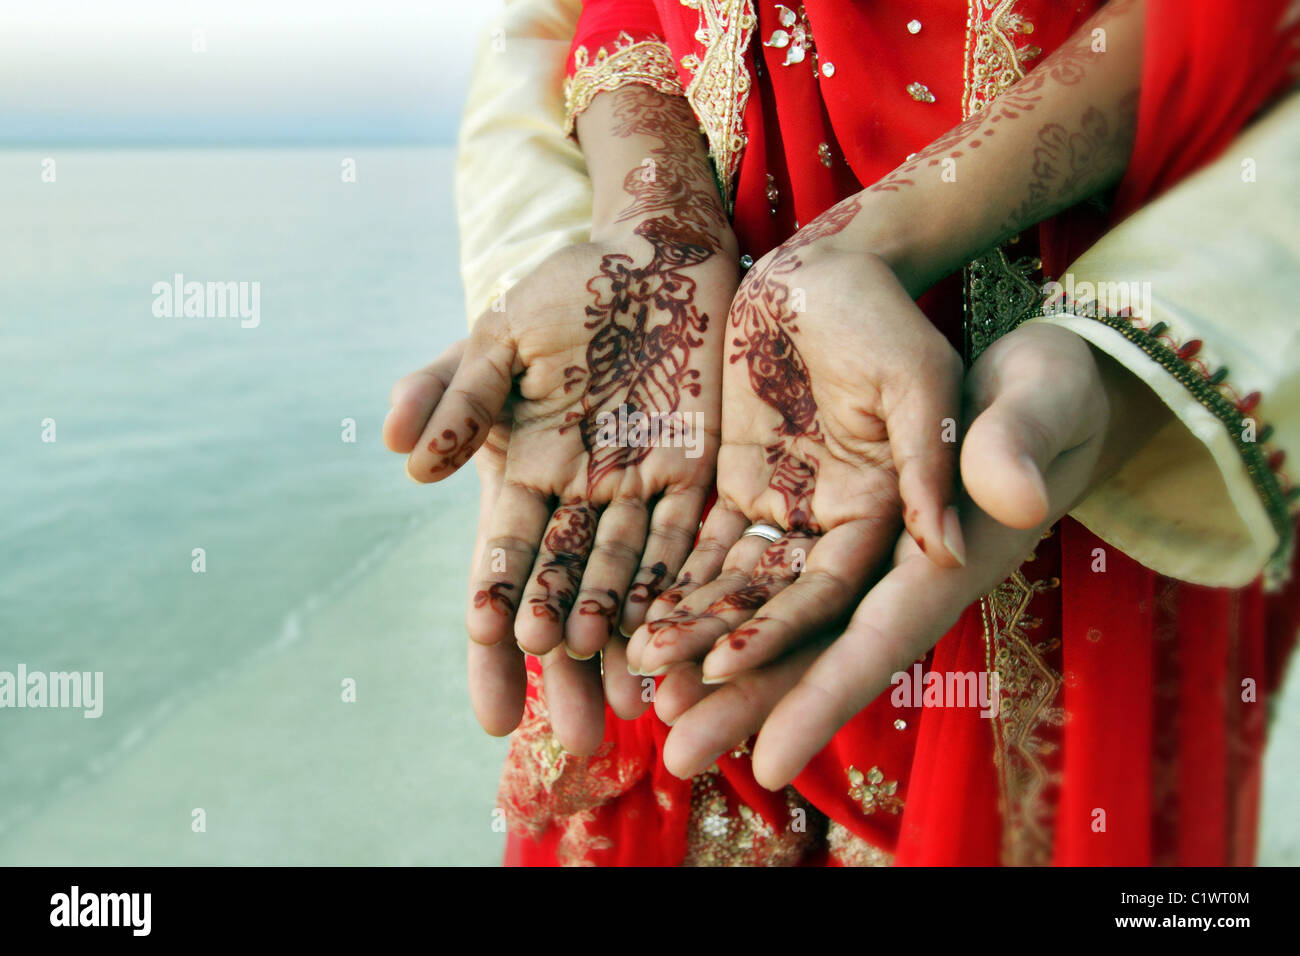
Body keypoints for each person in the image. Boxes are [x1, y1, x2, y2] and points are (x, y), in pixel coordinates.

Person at [385, 0, 1300, 865]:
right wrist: (656, 222)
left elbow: (1229, 27)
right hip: (685, 448)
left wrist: (1114, 370)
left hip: (1058, 428)